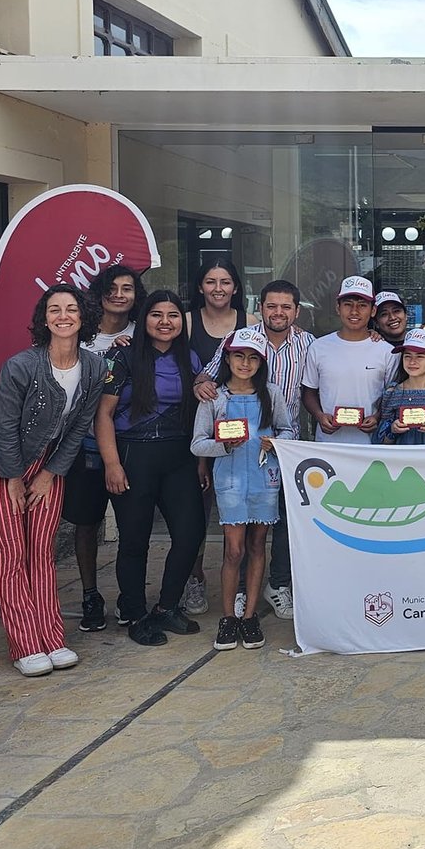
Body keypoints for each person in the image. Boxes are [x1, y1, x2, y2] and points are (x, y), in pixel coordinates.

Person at [0, 285, 105, 676]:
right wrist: (13, 478)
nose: (63, 316)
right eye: (54, 309)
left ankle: (52, 638)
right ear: (44, 319)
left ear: (83, 317)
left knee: (42, 554)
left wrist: (49, 473)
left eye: (71, 309)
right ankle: (25, 645)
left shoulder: (95, 367)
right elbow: (5, 427)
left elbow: (81, 425)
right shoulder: (20, 365)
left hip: (49, 469)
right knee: (13, 555)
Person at [95, 289, 208, 645]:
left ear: (181, 321)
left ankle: (167, 607)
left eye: (173, 315)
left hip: (180, 457)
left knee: (190, 535)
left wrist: (202, 463)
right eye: (156, 314)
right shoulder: (124, 358)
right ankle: (136, 614)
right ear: (144, 320)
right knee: (134, 541)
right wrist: (112, 464)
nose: (165, 322)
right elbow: (104, 415)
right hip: (133, 456)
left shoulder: (189, 359)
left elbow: (202, 412)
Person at [196, 279, 313, 620]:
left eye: (286, 307)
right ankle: (242, 594)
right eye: (272, 305)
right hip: (235, 455)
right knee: (240, 531)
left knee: (280, 523)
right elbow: (205, 378)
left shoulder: (308, 343)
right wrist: (204, 390)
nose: (279, 312)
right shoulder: (239, 340)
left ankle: (277, 585)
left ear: (296, 311)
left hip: (282, 446)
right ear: (259, 307)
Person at [192, 328, 295, 653]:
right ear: (228, 358)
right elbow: (197, 444)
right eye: (239, 356)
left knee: (257, 545)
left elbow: (288, 429)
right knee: (233, 550)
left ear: (261, 362)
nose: (245, 363)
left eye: (253, 357)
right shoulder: (216, 398)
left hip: (265, 479)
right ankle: (228, 617)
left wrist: (277, 443)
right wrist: (222, 447)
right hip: (231, 482)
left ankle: (250, 616)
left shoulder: (272, 394)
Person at [63, 264, 144, 633]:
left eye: (127, 288)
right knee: (86, 523)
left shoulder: (141, 335)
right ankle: (91, 594)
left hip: (124, 446)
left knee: (131, 525)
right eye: (112, 287)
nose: (119, 294)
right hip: (81, 445)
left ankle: (131, 596)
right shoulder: (77, 335)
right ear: (98, 292)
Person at [182, 257, 247, 616]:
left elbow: (289, 337)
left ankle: (236, 584)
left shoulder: (249, 323)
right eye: (211, 281)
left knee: (236, 514)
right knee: (195, 512)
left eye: (225, 282)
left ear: (235, 287)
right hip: (194, 431)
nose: (218, 288)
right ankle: (194, 579)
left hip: (240, 434)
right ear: (201, 286)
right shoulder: (186, 322)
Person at [301, 275, 398, 446]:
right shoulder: (318, 347)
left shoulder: (387, 351)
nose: (354, 312)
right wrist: (319, 415)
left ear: (373, 310)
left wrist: (377, 417)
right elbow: (309, 392)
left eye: (362, 305)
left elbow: (393, 396)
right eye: (348, 305)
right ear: (338, 308)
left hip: (372, 445)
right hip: (329, 444)